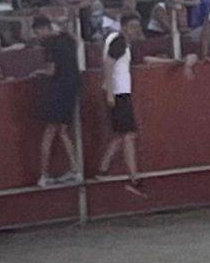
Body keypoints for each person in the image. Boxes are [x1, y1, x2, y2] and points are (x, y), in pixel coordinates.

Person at [96, 17, 149, 196]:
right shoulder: (119, 42)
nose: (135, 30)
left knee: (122, 134)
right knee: (128, 134)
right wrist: (111, 91)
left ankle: (103, 168)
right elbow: (109, 65)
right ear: (125, 27)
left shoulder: (116, 40)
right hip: (119, 93)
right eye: (133, 26)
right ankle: (133, 176)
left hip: (119, 91)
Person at [35, 15, 84, 187]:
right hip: (72, 87)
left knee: (50, 131)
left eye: (38, 31)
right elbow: (77, 43)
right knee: (62, 131)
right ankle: (75, 169)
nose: (38, 35)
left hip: (59, 89)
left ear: (44, 28)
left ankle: (44, 174)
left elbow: (51, 70)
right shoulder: (67, 39)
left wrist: (38, 73)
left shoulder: (49, 44)